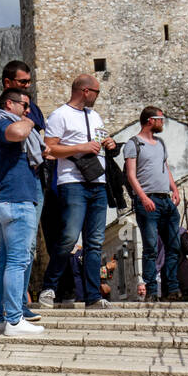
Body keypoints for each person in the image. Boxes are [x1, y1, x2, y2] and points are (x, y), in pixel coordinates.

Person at [39, 75, 118, 310]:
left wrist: (109, 142)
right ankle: (49, 286)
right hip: (72, 182)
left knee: (95, 242)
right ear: (85, 91)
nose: (98, 96)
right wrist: (80, 147)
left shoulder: (95, 116)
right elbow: (48, 150)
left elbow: (101, 138)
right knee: (69, 238)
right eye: (97, 92)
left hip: (98, 182)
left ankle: (92, 296)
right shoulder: (59, 115)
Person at [0, 61, 48, 321]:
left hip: (30, 184)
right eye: (23, 83)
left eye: (30, 82)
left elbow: (41, 145)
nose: (28, 88)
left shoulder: (29, 110)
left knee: (20, 252)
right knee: (15, 257)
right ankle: (12, 312)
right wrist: (28, 121)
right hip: (12, 191)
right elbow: (16, 134)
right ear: (8, 84)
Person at [124, 106, 183, 302]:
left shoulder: (161, 144)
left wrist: (174, 188)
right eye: (160, 119)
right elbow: (131, 175)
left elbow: (165, 168)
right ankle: (151, 291)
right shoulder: (134, 144)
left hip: (166, 200)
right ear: (150, 120)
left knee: (174, 245)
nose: (162, 122)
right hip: (148, 200)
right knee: (150, 248)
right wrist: (143, 197)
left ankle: (172, 288)